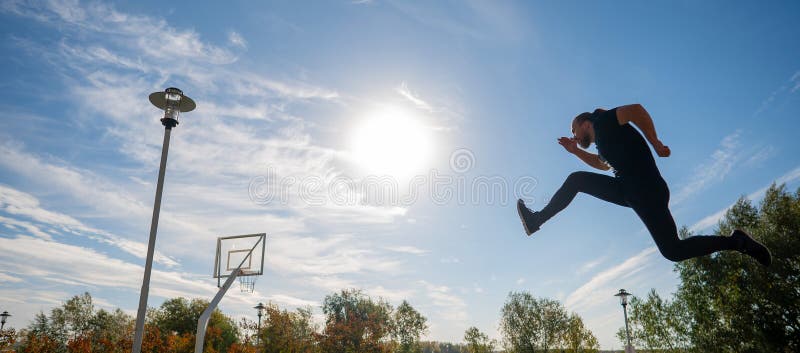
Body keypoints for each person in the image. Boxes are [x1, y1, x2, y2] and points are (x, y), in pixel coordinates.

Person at [516, 104, 772, 266]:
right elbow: (602, 165)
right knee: (577, 180)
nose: (573, 135)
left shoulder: (603, 120)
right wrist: (575, 152)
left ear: (585, 123)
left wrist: (655, 142)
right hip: (629, 189)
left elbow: (636, 110)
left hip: (645, 188)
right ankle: (536, 220)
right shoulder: (605, 145)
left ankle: (736, 242)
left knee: (673, 250)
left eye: (574, 130)